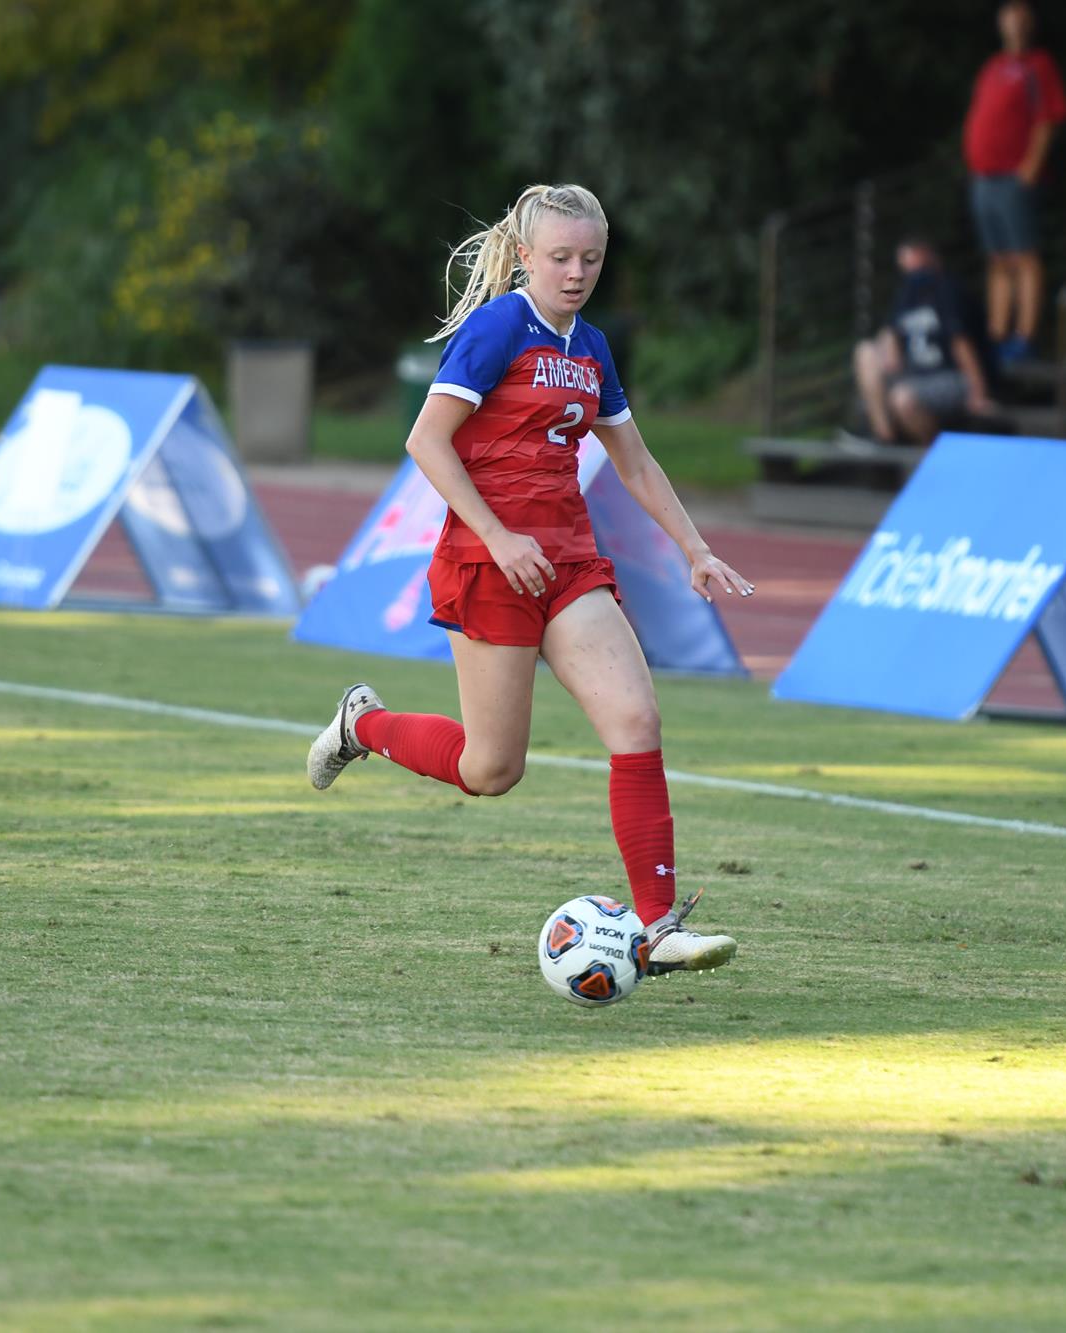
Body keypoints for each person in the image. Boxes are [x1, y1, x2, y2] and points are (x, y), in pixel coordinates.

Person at [306, 183, 751, 977]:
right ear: (523, 256)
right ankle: (361, 725)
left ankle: (659, 925)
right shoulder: (498, 326)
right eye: (561, 257)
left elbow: (635, 460)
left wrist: (694, 546)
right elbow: (427, 442)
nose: (577, 272)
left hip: (570, 562)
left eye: (591, 258)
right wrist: (498, 534)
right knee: (491, 769)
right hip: (490, 560)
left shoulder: (592, 346)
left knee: (636, 721)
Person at [961, 0, 1066, 368]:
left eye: (1021, 18)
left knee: (1024, 256)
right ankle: (997, 333)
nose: (1015, 25)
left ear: (1030, 24)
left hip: (1013, 177)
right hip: (984, 177)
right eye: (1009, 18)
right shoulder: (992, 67)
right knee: (997, 259)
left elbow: (1048, 118)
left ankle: (1024, 336)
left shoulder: (1038, 66)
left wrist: (1031, 166)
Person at [852, 236, 995, 445]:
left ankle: (933, 457)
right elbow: (891, 331)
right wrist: (889, 344)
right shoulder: (907, 293)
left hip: (950, 375)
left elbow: (960, 341)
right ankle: (883, 437)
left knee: (902, 398)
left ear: (931, 258)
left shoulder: (948, 290)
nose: (909, 268)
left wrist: (978, 393)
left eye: (913, 260)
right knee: (864, 351)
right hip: (917, 376)